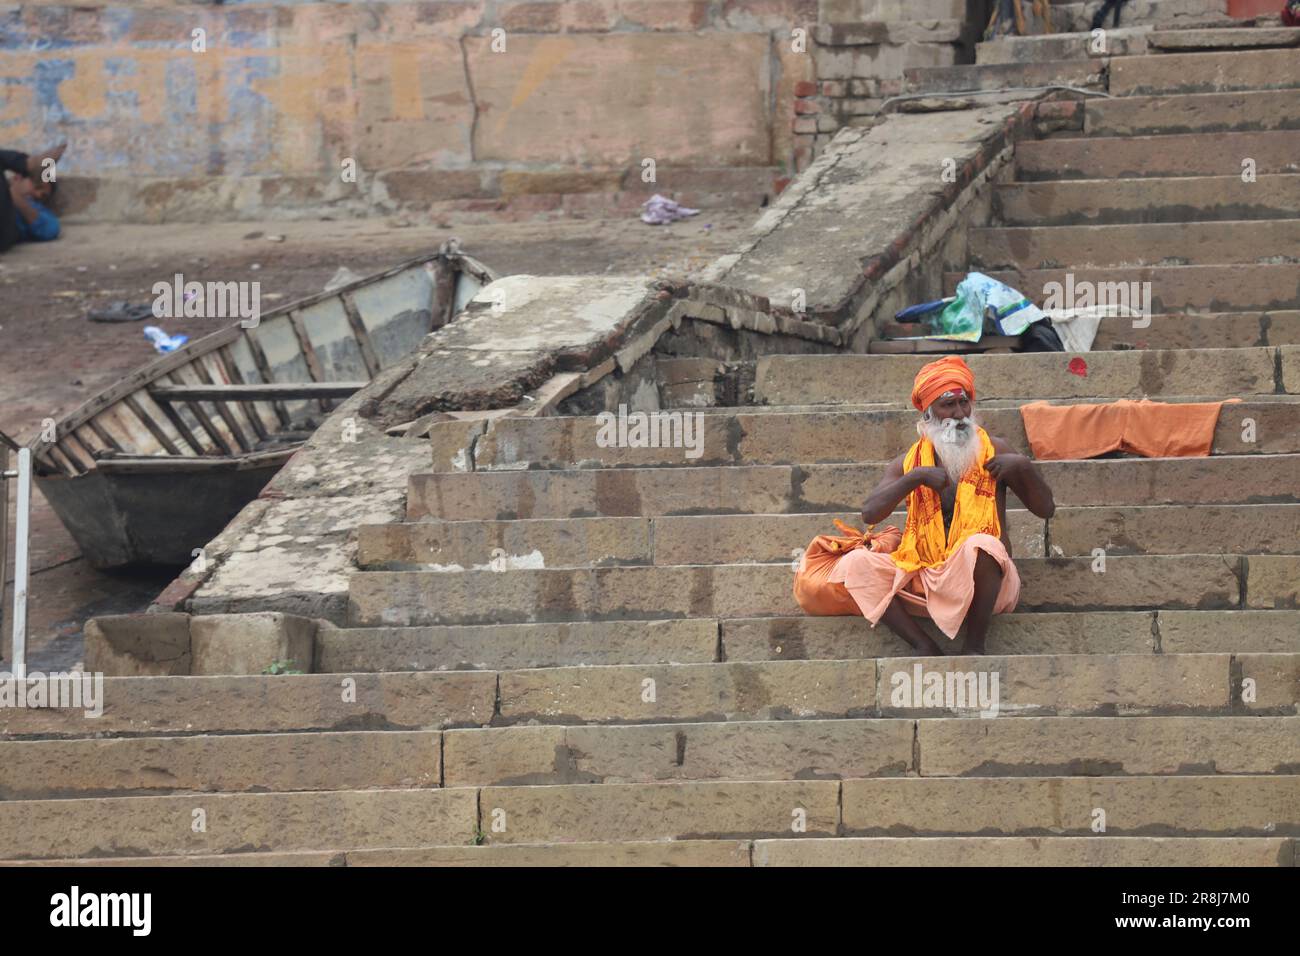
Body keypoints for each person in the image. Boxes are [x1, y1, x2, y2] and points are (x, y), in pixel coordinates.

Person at [830, 356, 1056, 656]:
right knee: (856, 563)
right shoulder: (908, 464)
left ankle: (974, 646)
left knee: (982, 544)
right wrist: (916, 478)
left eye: (964, 403)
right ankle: (924, 645)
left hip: (986, 586)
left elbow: (1046, 510)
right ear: (928, 414)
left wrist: (1023, 467)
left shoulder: (996, 451)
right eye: (947, 406)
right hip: (924, 577)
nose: (960, 414)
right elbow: (870, 513)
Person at [1, 143, 66, 253]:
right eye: (38, 187)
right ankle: (28, 163)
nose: (38, 195)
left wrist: (13, 194)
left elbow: (50, 230)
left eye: (43, 196)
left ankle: (28, 163)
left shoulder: (36, 209)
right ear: (18, 178)